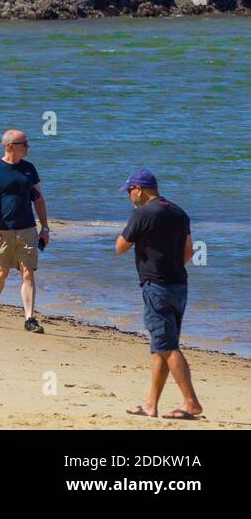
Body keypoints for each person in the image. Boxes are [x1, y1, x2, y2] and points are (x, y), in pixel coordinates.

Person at [115, 168, 202, 420]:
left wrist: (135, 223)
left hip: (156, 286)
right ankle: (151, 405)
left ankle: (191, 402)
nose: (129, 196)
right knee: (160, 346)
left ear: (139, 189)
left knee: (167, 346)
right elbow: (189, 251)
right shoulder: (178, 212)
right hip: (179, 285)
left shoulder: (142, 213)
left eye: (130, 191)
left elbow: (120, 247)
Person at [0, 129, 51, 332]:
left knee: (28, 273)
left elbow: (39, 199)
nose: (28, 147)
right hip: (2, 230)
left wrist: (45, 227)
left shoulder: (29, 169)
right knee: (1, 272)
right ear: (10, 146)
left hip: (28, 229)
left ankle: (29, 318)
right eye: (24, 144)